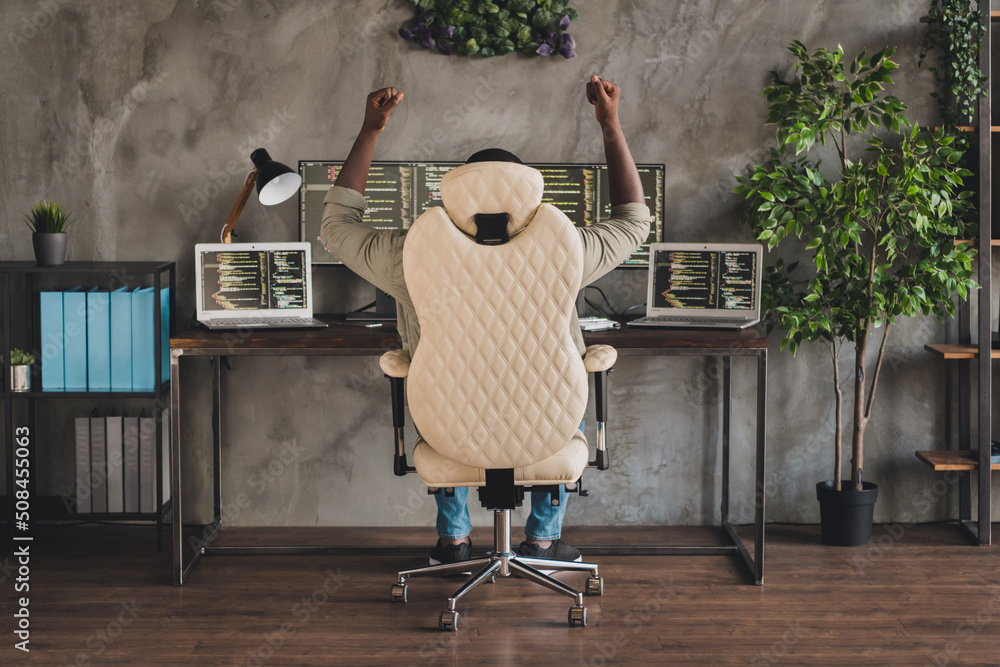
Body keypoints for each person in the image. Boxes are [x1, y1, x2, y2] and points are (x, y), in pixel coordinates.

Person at [321, 75, 651, 568]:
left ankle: (454, 541)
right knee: (558, 391)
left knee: (443, 392)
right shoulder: (567, 249)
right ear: (528, 197)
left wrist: (370, 131)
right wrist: (610, 124)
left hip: (450, 422)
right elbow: (634, 221)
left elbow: (336, 226)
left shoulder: (409, 254)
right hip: (546, 420)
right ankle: (542, 542)